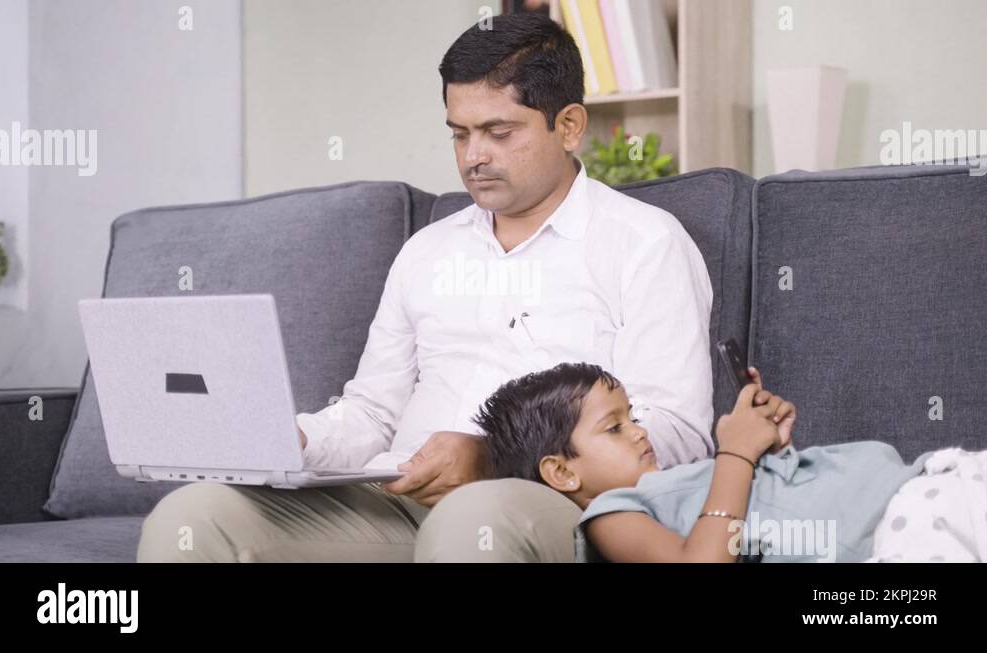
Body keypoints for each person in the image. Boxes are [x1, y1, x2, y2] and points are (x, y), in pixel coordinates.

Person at [137, 12, 713, 563]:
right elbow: (373, 414)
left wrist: (492, 458)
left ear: (568, 126)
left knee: (472, 522)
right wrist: (292, 439)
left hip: (547, 504)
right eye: (459, 134)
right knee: (195, 517)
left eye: (498, 132)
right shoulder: (427, 251)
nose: (474, 157)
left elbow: (678, 433)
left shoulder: (644, 243)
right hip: (398, 496)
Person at [477, 361, 987, 563]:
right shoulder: (613, 513)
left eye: (632, 416)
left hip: (935, 478)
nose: (638, 430)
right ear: (563, 471)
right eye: (614, 427)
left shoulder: (683, 479)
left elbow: (774, 510)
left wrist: (773, 451)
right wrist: (736, 454)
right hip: (908, 530)